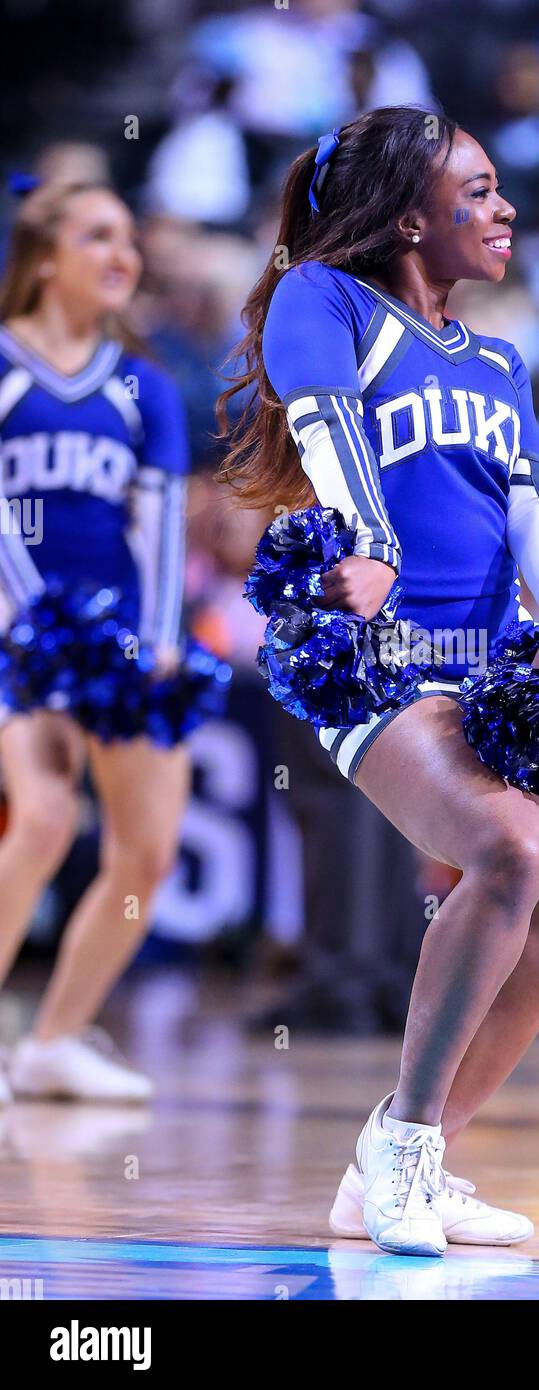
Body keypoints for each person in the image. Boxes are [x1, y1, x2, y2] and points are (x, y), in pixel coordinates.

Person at [219, 106, 539, 1257]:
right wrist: (369, 541)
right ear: (403, 212)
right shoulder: (322, 300)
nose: (503, 211)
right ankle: (407, 1152)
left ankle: (401, 1155)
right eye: (477, 191)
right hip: (377, 655)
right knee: (507, 851)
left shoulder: (495, 358)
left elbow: (534, 502)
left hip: (493, 664)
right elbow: (330, 422)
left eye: (497, 189)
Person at [0, 181, 192, 1103]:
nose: (123, 255)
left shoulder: (143, 387)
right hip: (15, 637)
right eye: (97, 237)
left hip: (120, 644)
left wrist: (154, 641)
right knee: (39, 819)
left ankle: (54, 1040)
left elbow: (159, 526)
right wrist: (37, 626)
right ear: (44, 258)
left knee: (146, 852)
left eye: (129, 240)